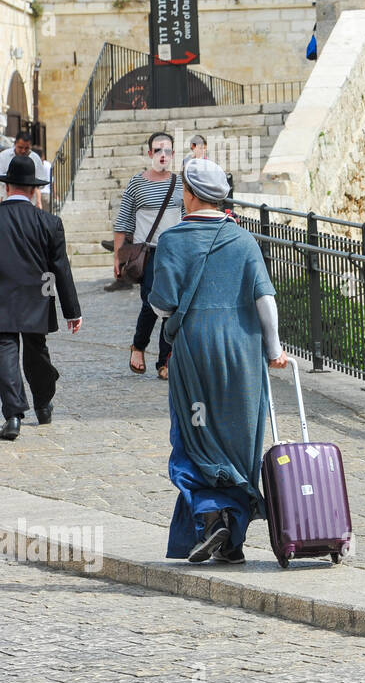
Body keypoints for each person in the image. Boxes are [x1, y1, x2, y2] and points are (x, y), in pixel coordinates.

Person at [149, 158, 287, 564]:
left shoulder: (173, 241)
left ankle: (212, 518)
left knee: (195, 435)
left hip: (195, 354)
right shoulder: (245, 241)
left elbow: (161, 306)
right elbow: (266, 301)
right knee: (239, 440)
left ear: (189, 195)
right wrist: (274, 350)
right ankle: (233, 540)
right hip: (242, 355)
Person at [0, 155, 81, 440]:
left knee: (5, 353)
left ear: (7, 187)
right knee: (37, 353)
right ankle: (44, 404)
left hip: (3, 299)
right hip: (38, 297)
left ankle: (13, 416)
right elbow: (61, 268)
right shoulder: (49, 222)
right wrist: (72, 311)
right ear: (34, 190)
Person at [113, 132, 184, 378]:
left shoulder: (180, 184)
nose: (162, 155)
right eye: (158, 150)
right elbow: (122, 222)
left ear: (173, 155)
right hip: (148, 254)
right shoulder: (137, 183)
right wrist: (117, 257)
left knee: (171, 304)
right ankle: (139, 345)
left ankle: (164, 362)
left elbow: (186, 218)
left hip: (175, 253)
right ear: (150, 153)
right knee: (151, 302)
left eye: (167, 151)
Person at [0, 133, 50, 210]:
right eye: (20, 147)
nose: (23, 151)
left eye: (26, 148)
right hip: (7, 202)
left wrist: (38, 201)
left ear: (30, 146)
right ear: (15, 144)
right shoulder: (3, 156)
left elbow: (41, 182)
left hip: (29, 203)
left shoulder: (35, 158)